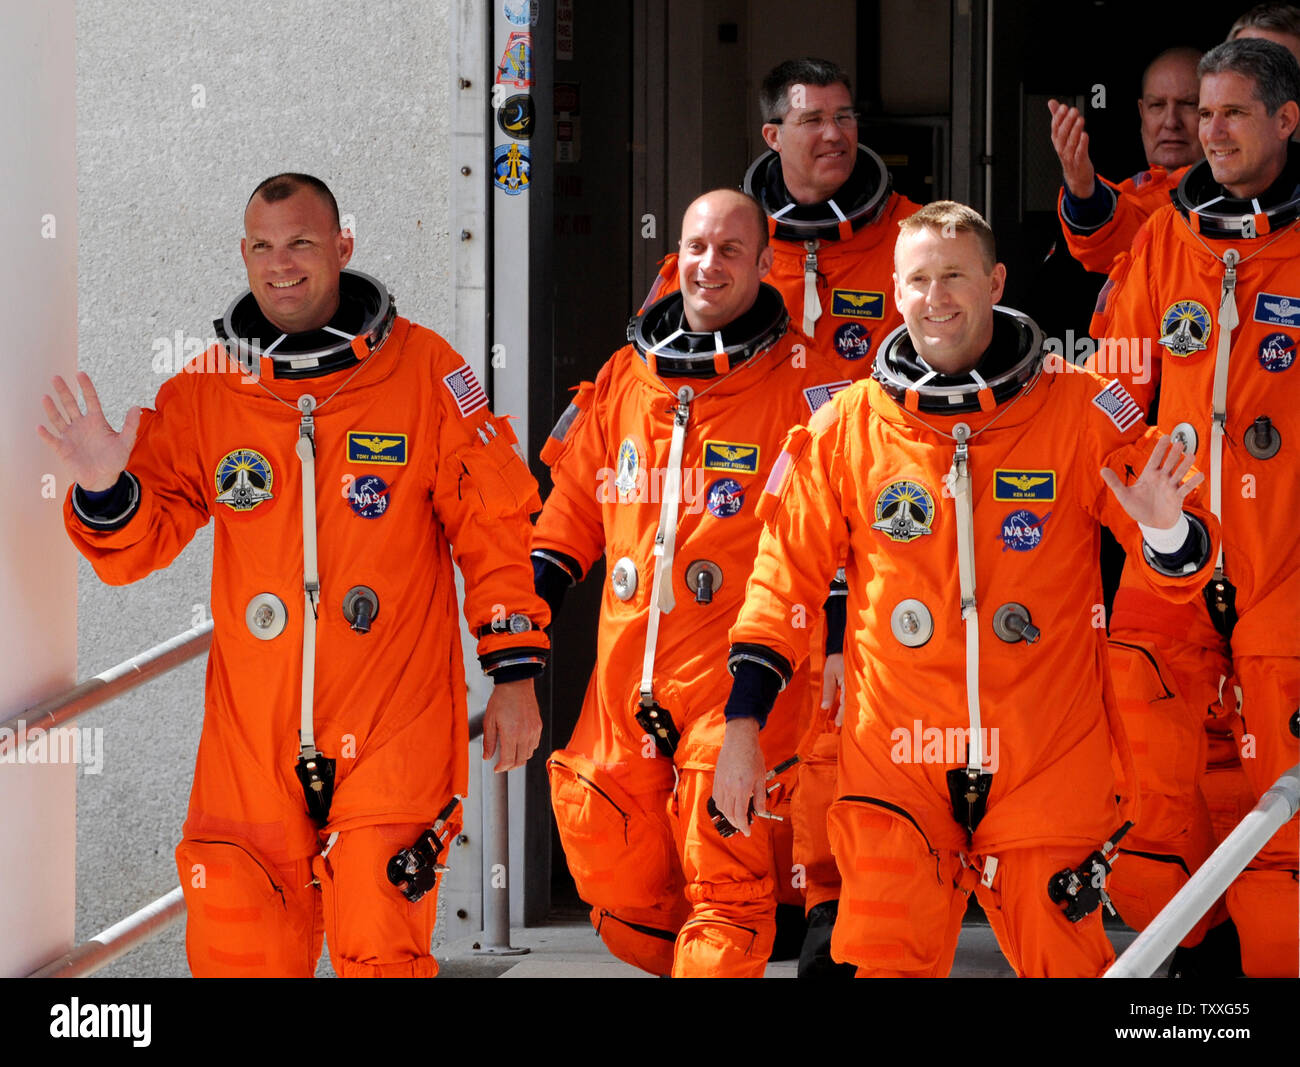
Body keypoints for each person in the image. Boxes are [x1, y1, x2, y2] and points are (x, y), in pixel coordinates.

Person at [38, 173, 549, 978]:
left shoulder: (426, 373)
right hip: (252, 738)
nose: (282, 264)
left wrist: (513, 671)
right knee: (241, 949)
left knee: (380, 945)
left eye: (302, 243)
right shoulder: (208, 389)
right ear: (244, 255)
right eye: (264, 246)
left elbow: (493, 526)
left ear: (343, 247)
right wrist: (106, 486)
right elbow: (140, 546)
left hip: (393, 718)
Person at [714, 200, 1219, 977]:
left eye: (954, 275)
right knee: (883, 959)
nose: (934, 297)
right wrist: (742, 725)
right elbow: (781, 581)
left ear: (996, 281)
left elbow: (1187, 554)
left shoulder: (1080, 408)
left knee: (1066, 962)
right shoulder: (845, 426)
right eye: (917, 279)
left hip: (1043, 756)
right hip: (897, 761)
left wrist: (1159, 531)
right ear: (894, 287)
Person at [533, 188, 847, 977]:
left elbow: (842, 537)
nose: (710, 265)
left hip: (738, 681)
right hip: (625, 684)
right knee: (613, 875)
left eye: (731, 250)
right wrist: (519, 635)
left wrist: (838, 648)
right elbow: (568, 513)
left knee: (725, 880)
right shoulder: (624, 378)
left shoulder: (809, 386)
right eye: (697, 248)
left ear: (766, 263)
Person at [1093, 37, 1300, 977]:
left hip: (1283, 561)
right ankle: (1191, 966)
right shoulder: (1162, 238)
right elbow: (1111, 390)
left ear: (1287, 120)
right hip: (1167, 557)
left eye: (1231, 114)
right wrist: (1145, 499)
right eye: (1202, 114)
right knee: (1150, 797)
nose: (1208, 132)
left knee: (1280, 803)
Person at [1047, 46, 1203, 276]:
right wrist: (1081, 188)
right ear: (1142, 114)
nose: (1171, 121)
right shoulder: (1138, 187)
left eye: (1189, 104)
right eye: (1157, 105)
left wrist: (1085, 193)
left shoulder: (1228, 188)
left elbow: (1133, 232)